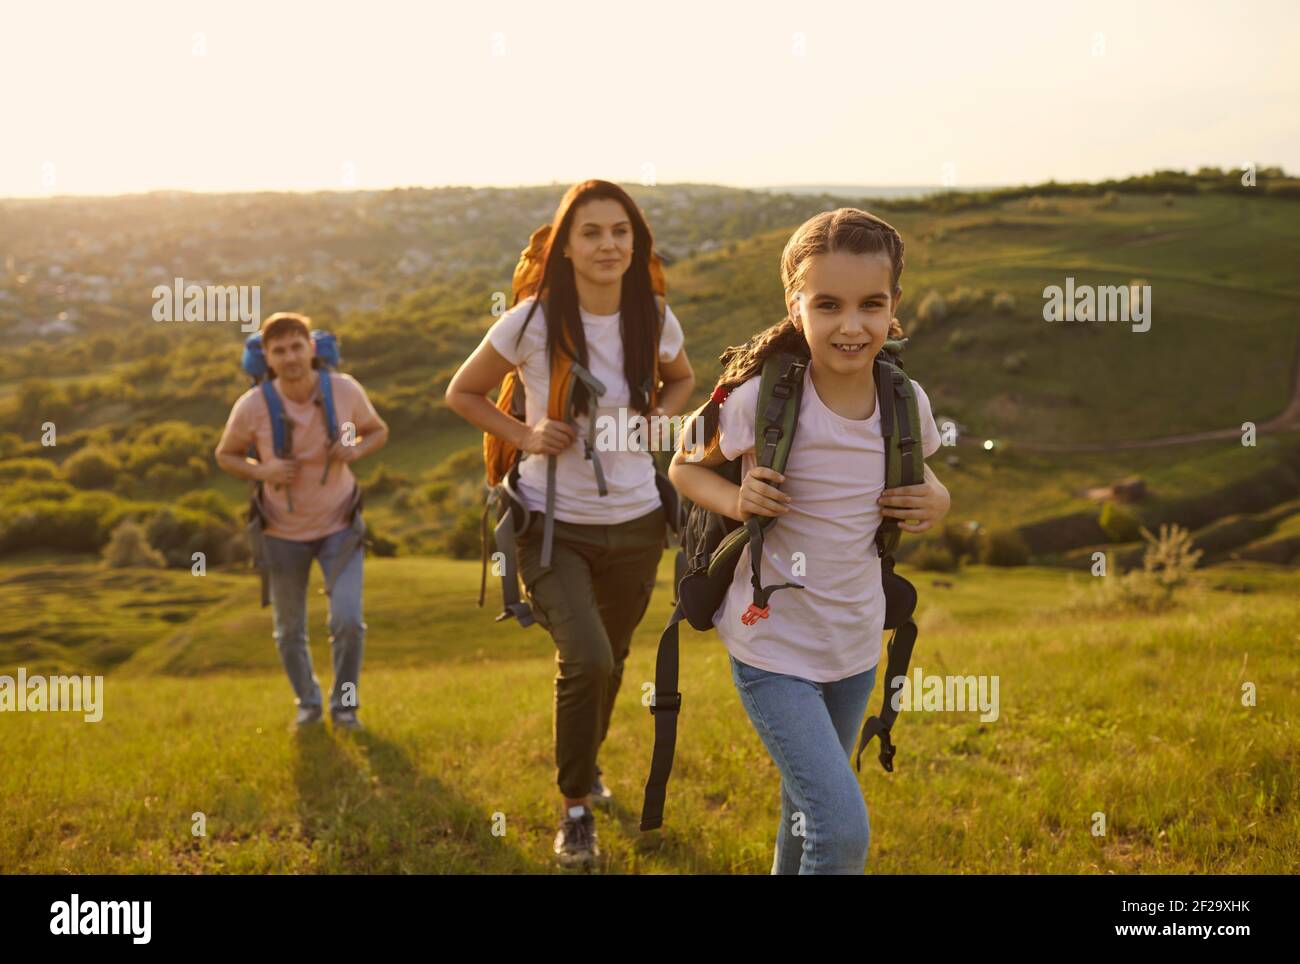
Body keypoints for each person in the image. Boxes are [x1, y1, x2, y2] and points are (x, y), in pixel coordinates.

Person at [668, 208, 951, 874]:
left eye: (869, 305)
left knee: (803, 814)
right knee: (841, 829)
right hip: (773, 651)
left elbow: (925, 473)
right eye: (828, 305)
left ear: (893, 307)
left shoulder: (905, 402)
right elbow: (683, 466)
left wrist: (938, 499)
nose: (850, 325)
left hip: (855, 646)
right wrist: (734, 498)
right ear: (796, 308)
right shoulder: (756, 401)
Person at [445, 180, 695, 867]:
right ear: (565, 245)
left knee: (611, 661)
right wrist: (524, 434)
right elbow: (462, 393)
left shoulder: (654, 316)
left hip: (640, 523)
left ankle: (586, 772)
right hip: (553, 526)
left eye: (621, 231)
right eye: (591, 232)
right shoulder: (530, 321)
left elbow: (681, 379)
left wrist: (660, 416)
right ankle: (576, 807)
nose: (609, 244)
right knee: (585, 657)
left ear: (635, 242)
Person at [215, 311, 389, 731]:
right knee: (288, 630)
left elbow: (376, 430)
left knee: (347, 621)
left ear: (311, 349)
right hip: (280, 533)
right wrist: (264, 470)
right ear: (268, 359)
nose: (290, 357)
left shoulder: (344, 390)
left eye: (297, 346)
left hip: (341, 526)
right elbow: (226, 455)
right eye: (280, 350)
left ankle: (345, 708)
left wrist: (354, 450)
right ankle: (308, 704)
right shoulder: (253, 405)